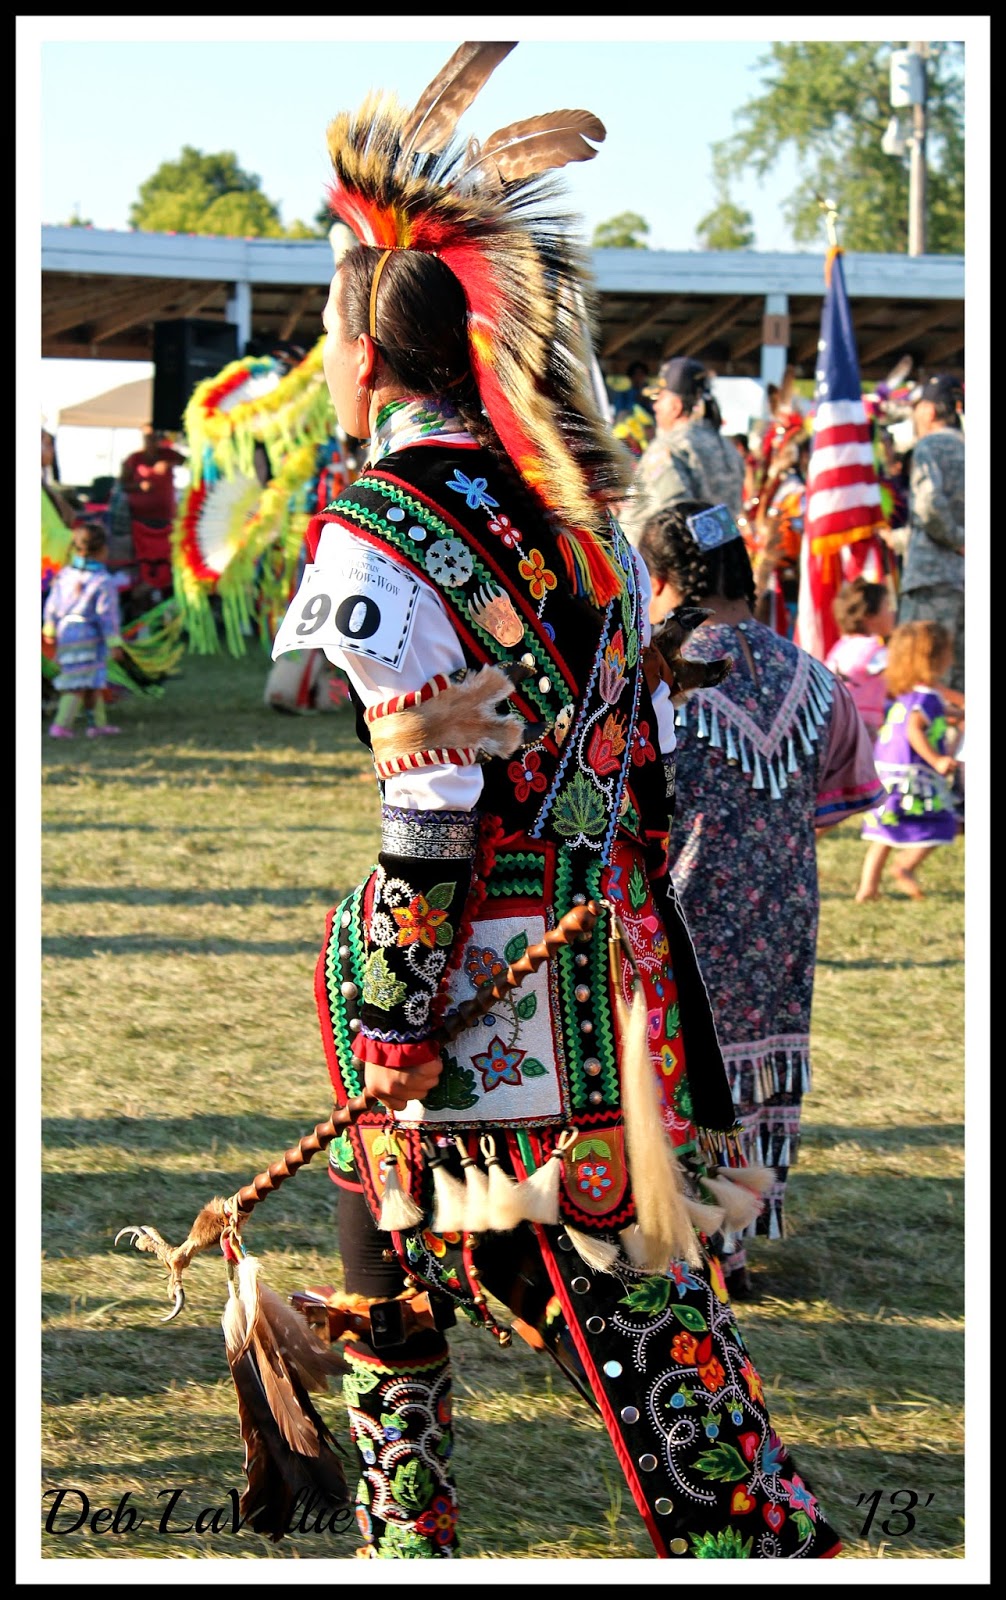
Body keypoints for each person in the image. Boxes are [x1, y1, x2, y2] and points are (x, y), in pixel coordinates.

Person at [263, 42, 844, 1561]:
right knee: (587, 1315)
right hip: (607, 973)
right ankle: (474, 1527)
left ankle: (443, 1534)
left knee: (514, 1302)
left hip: (477, 1006)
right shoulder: (581, 527)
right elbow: (626, 763)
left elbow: (432, 804)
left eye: (327, 327)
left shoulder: (379, 531)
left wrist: (392, 1022)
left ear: (369, 350)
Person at [636, 500, 883, 1296]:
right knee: (756, 1067)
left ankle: (698, 1242)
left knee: (682, 1068)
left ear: (665, 582)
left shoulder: (659, 678)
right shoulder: (814, 678)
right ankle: (733, 1236)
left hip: (686, 910)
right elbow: (845, 790)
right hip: (782, 911)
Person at [855, 619, 962, 902]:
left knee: (885, 832)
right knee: (944, 822)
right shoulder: (928, 698)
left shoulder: (907, 695)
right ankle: (906, 866)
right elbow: (915, 729)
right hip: (912, 775)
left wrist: (958, 715)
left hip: (888, 772)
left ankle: (868, 888)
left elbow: (928, 716)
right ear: (936, 658)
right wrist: (937, 760)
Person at [617, 357, 746, 545]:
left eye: (659, 398)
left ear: (676, 406)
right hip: (719, 562)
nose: (655, 406)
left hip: (667, 568)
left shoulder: (669, 447)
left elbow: (669, 525)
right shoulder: (728, 448)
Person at [896, 374, 965, 695]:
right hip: (964, 581)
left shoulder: (929, 446)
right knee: (963, 680)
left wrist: (959, 539)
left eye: (918, 406)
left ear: (931, 411)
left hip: (931, 580)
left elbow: (929, 506)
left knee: (921, 678)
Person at [42, 521, 125, 738]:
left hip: (65, 632)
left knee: (90, 681)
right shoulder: (102, 580)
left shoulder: (65, 575)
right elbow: (107, 614)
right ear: (103, 549)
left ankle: (97, 725)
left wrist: (49, 628)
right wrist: (114, 641)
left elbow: (52, 604)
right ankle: (61, 725)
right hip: (89, 635)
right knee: (78, 684)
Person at [825, 577, 897, 740]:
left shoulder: (840, 648)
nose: (892, 613)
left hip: (834, 726)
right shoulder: (874, 651)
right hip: (861, 729)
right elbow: (906, 681)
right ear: (869, 617)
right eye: (887, 606)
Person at [117, 425, 187, 530]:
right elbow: (122, 485)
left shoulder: (168, 454)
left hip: (166, 516)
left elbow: (190, 462)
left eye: (154, 436)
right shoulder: (134, 458)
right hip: (139, 518)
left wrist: (169, 464)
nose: (151, 440)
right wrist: (140, 486)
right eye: (148, 437)